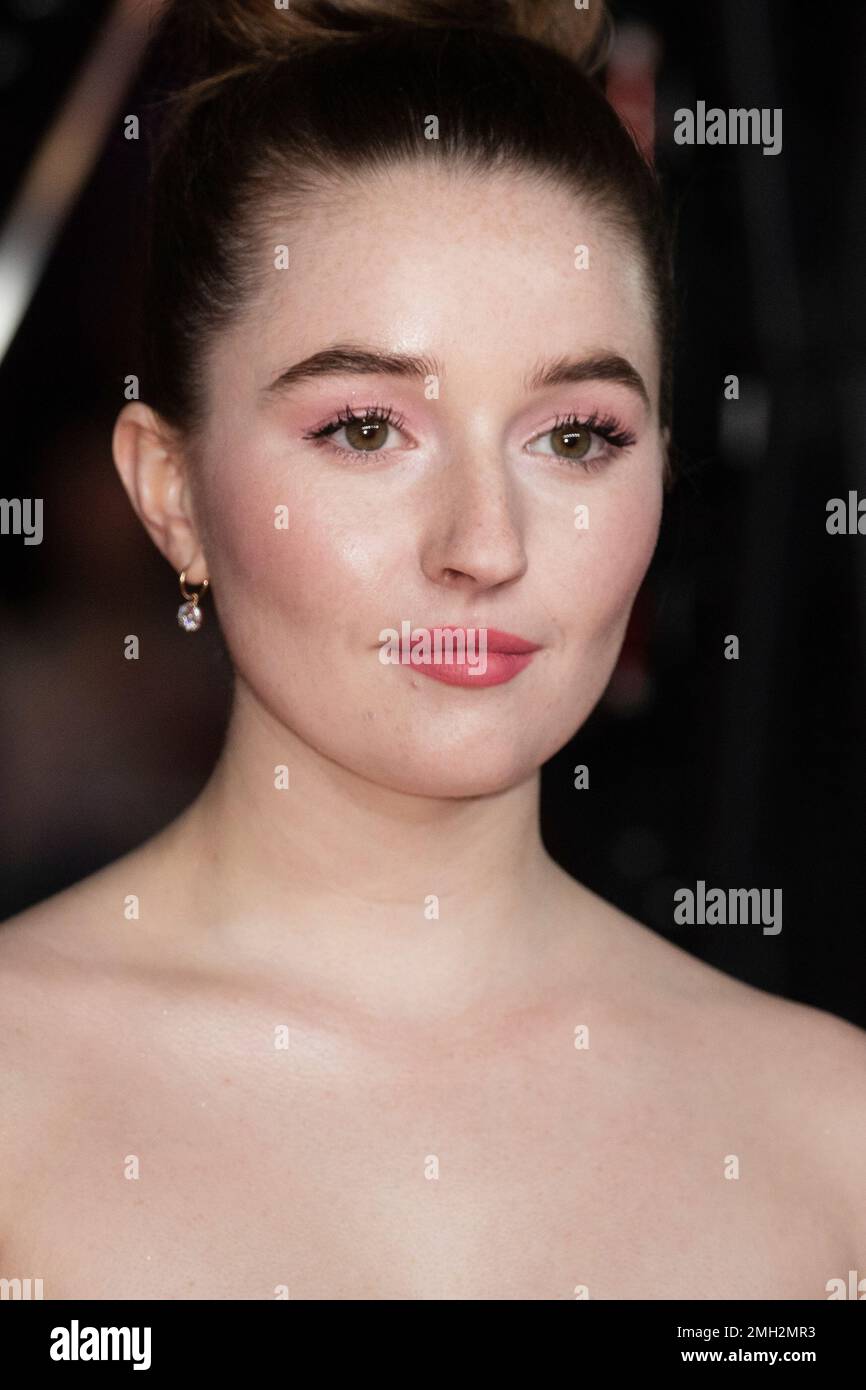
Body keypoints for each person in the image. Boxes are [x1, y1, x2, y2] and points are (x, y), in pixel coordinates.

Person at [1, 0, 863, 1301]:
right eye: (364, 428)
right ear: (171, 489)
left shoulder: (830, 1138)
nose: (484, 542)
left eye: (575, 435)